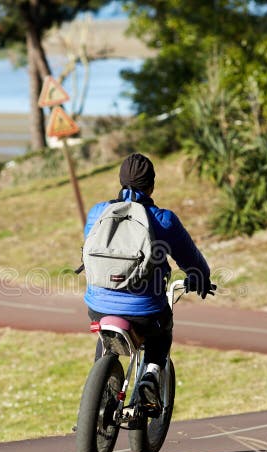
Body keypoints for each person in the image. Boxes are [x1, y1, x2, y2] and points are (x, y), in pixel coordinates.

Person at [83, 153, 212, 413]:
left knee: (106, 337)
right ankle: (151, 374)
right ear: (151, 185)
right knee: (162, 329)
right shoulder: (163, 219)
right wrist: (201, 278)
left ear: (120, 181)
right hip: (145, 311)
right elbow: (191, 260)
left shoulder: (98, 211)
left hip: (98, 306)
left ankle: (96, 397)